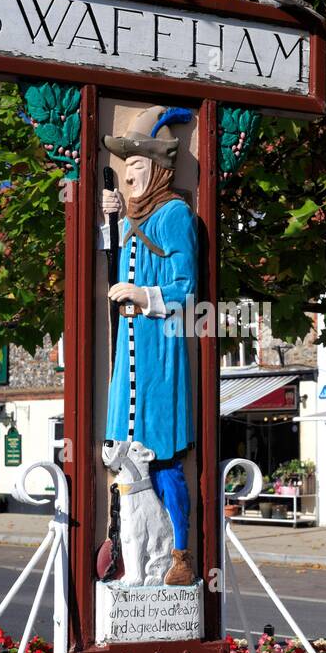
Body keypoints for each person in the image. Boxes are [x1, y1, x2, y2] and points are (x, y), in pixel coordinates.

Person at [101, 105, 197, 585]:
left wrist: (143, 296)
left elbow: (188, 288)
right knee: (126, 460)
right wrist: (110, 219)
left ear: (158, 169)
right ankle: (132, 558)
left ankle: (180, 556)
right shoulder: (130, 221)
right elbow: (109, 263)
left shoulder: (175, 214)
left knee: (163, 459)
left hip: (160, 354)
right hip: (130, 352)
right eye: (126, 167)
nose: (129, 176)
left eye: (137, 166)